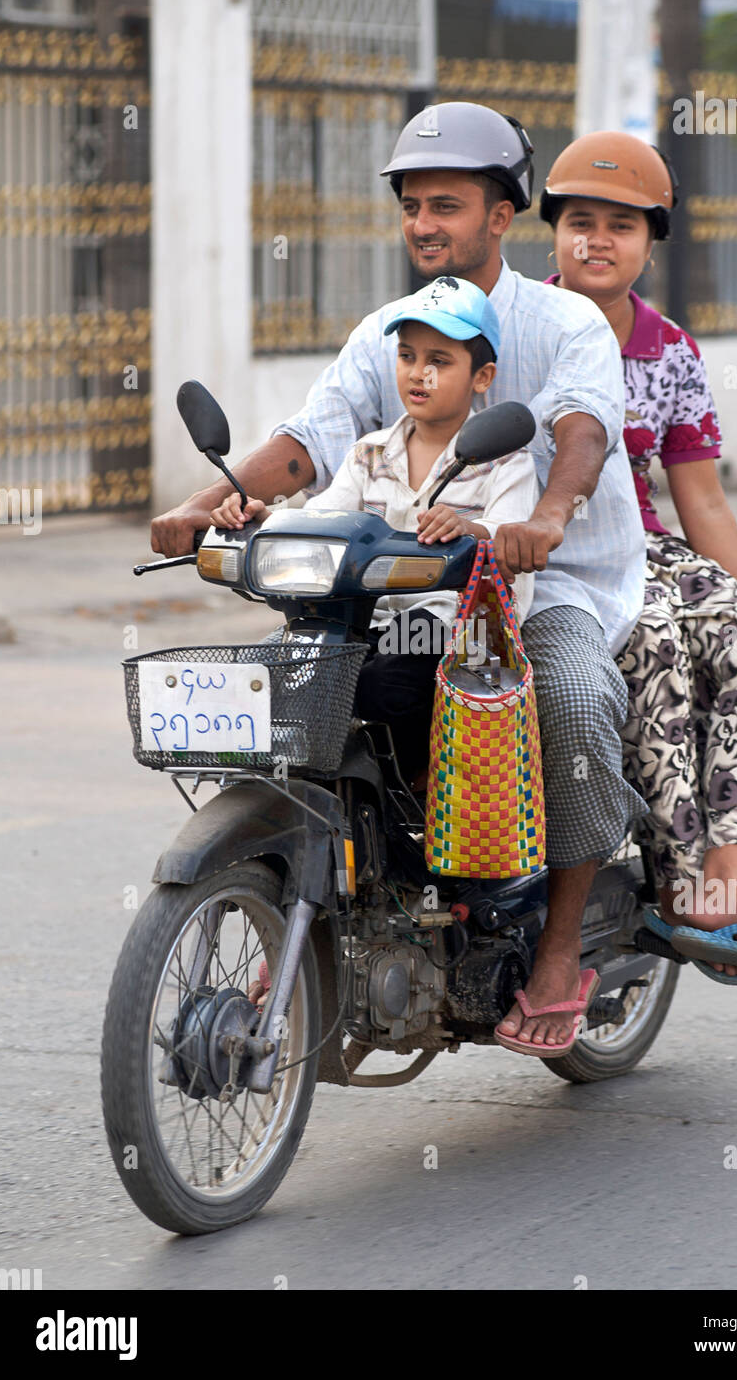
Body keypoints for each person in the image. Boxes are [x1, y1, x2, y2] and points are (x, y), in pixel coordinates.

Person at [152, 101, 649, 1054]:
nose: (424, 223)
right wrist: (204, 508)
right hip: (401, 584)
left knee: (575, 704)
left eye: (447, 205)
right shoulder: (389, 332)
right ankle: (320, 893)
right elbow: (313, 443)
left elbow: (582, 427)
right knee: (302, 692)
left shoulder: (566, 322)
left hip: (545, 580)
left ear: (501, 216)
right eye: (412, 204)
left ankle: (555, 955)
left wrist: (545, 519)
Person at [539, 131, 737, 983]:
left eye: (620, 226)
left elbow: (701, 500)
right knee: (655, 647)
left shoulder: (670, 352)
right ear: (549, 232)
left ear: (650, 243)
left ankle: (731, 891)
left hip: (647, 547)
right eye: (578, 222)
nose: (596, 240)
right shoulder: (520, 327)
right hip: (556, 556)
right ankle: (682, 890)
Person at [210, 275, 537, 783]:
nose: (418, 373)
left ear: (482, 376)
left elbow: (509, 538)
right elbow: (327, 521)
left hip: (457, 630)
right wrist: (264, 516)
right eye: (408, 356)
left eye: (439, 361)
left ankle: (420, 793)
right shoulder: (369, 451)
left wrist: (471, 528)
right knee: (277, 672)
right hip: (364, 617)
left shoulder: (504, 463)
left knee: (385, 681)